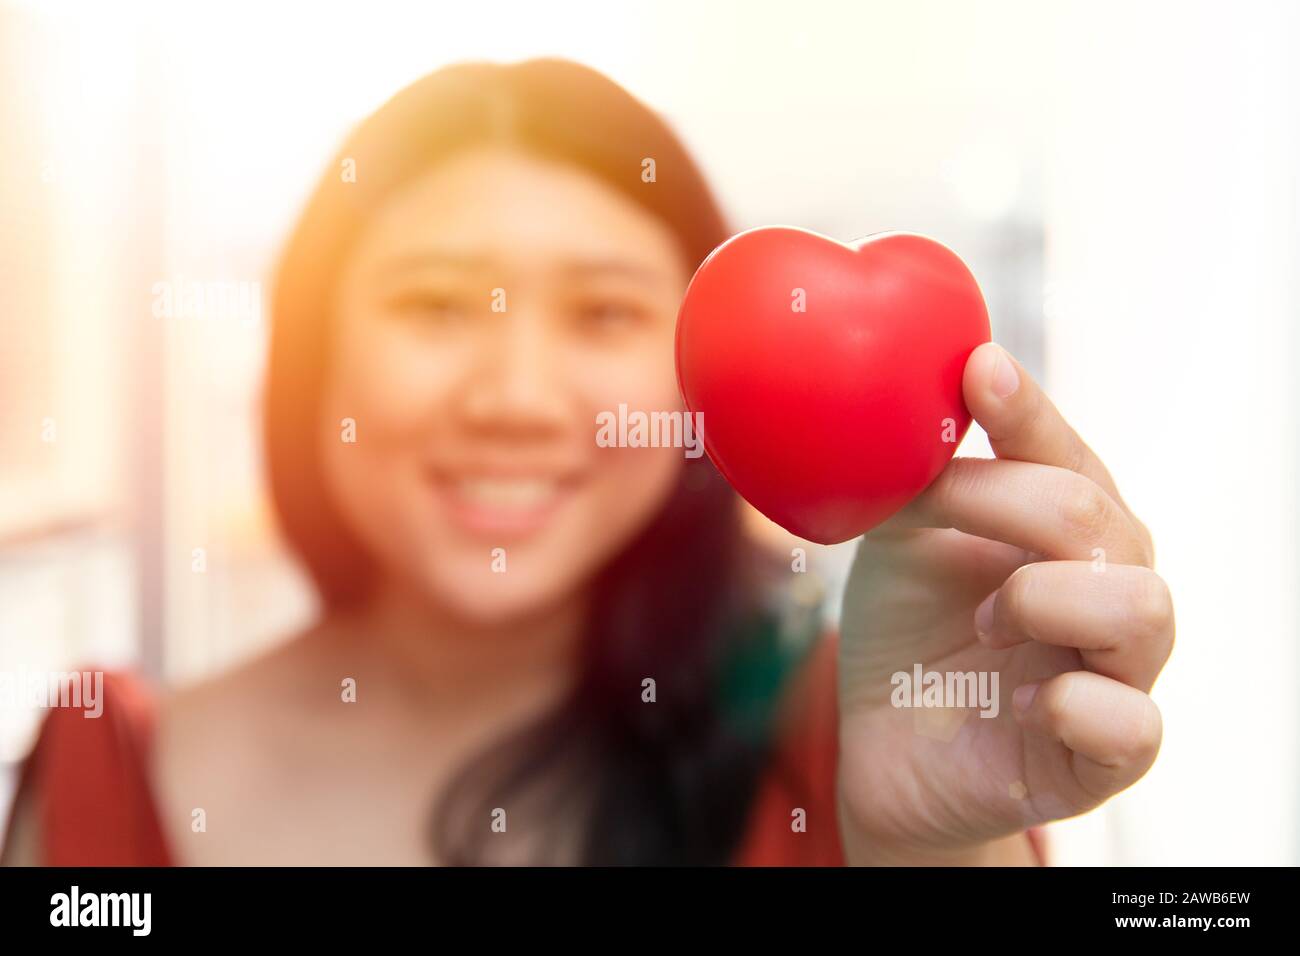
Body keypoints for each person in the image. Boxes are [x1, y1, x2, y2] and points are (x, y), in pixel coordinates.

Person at [1, 59, 1172, 866]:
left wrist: (929, 853)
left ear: (705, 378)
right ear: (315, 354)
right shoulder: (104, 766)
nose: (514, 399)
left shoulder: (851, 722)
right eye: (437, 306)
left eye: (605, 314)